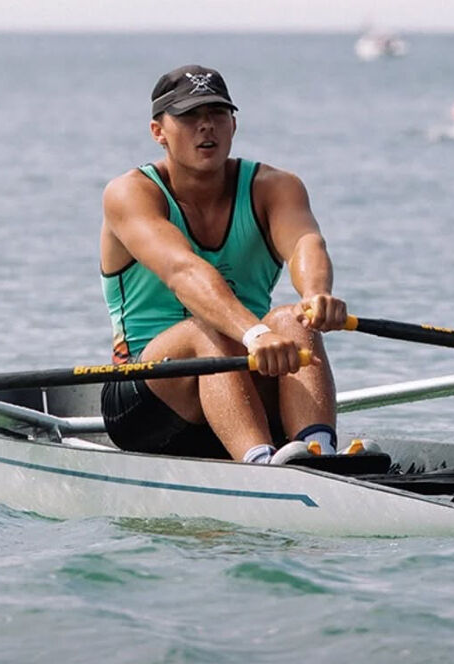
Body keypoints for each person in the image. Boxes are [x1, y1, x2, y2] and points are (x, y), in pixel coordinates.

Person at [98, 64, 355, 465]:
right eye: (189, 116)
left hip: (242, 388)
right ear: (158, 132)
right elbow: (184, 272)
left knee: (294, 319)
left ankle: (319, 453)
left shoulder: (276, 187)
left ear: (233, 125)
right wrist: (255, 334)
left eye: (217, 114)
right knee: (208, 331)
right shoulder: (129, 193)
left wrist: (317, 295)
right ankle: (259, 466)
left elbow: (306, 243)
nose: (206, 126)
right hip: (146, 402)